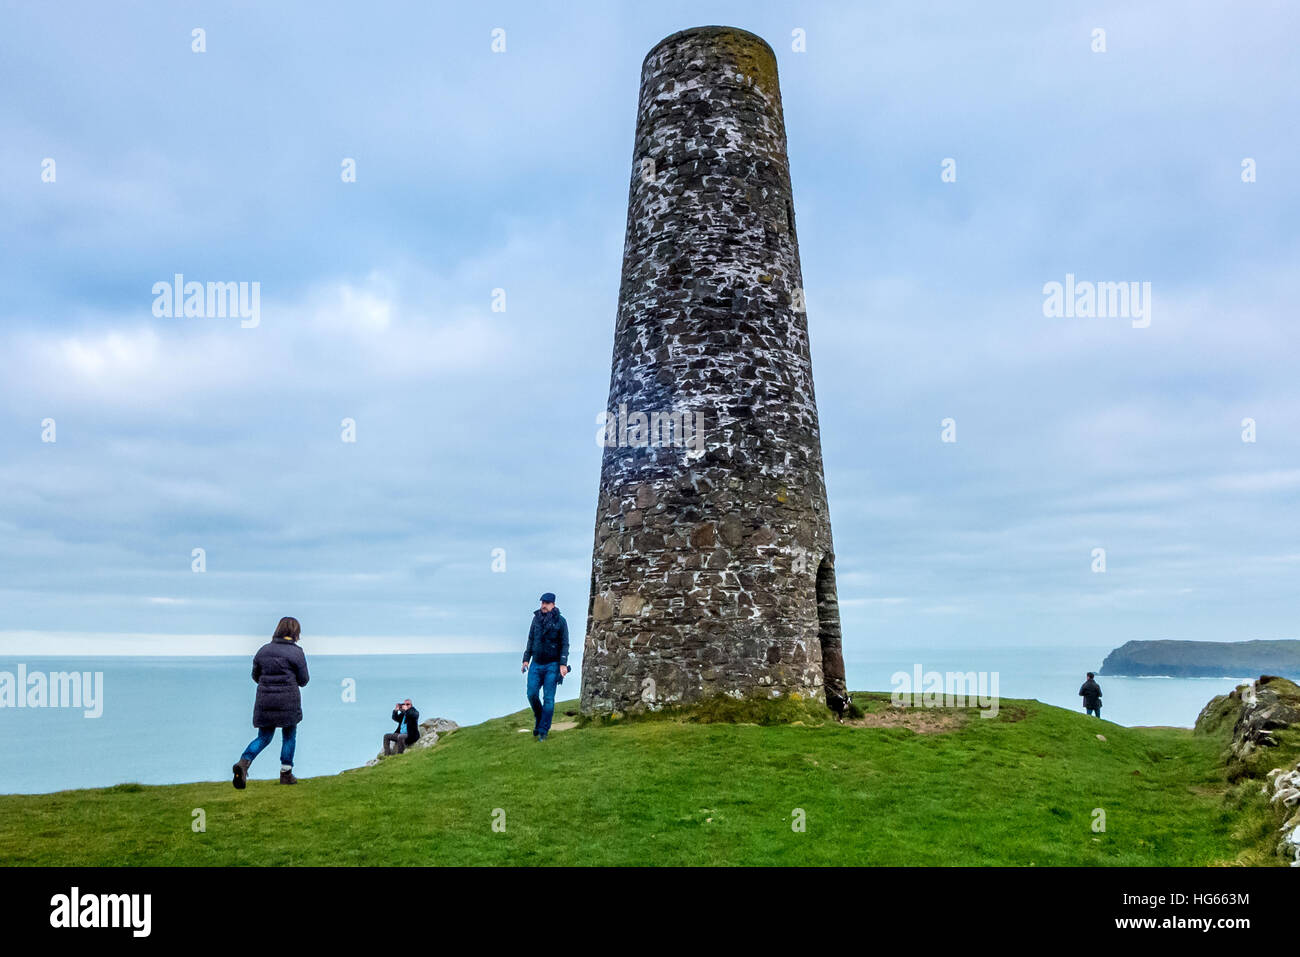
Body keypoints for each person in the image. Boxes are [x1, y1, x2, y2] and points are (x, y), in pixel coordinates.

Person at [233, 617, 310, 788]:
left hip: (265, 701)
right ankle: (286, 773)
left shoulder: (263, 651)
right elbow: (304, 680)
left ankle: (244, 762)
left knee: (264, 737)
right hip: (288, 702)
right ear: (295, 633)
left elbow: (255, 676)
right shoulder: (297, 653)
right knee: (289, 736)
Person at [521, 592, 569, 741]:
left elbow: (565, 644)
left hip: (552, 665)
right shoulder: (536, 619)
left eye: (547, 603)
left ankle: (543, 730)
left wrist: (562, 664)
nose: (543, 605)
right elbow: (530, 639)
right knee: (531, 694)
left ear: (553, 605)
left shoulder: (561, 621)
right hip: (536, 663)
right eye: (542, 602)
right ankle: (540, 718)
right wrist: (526, 659)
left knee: (548, 698)